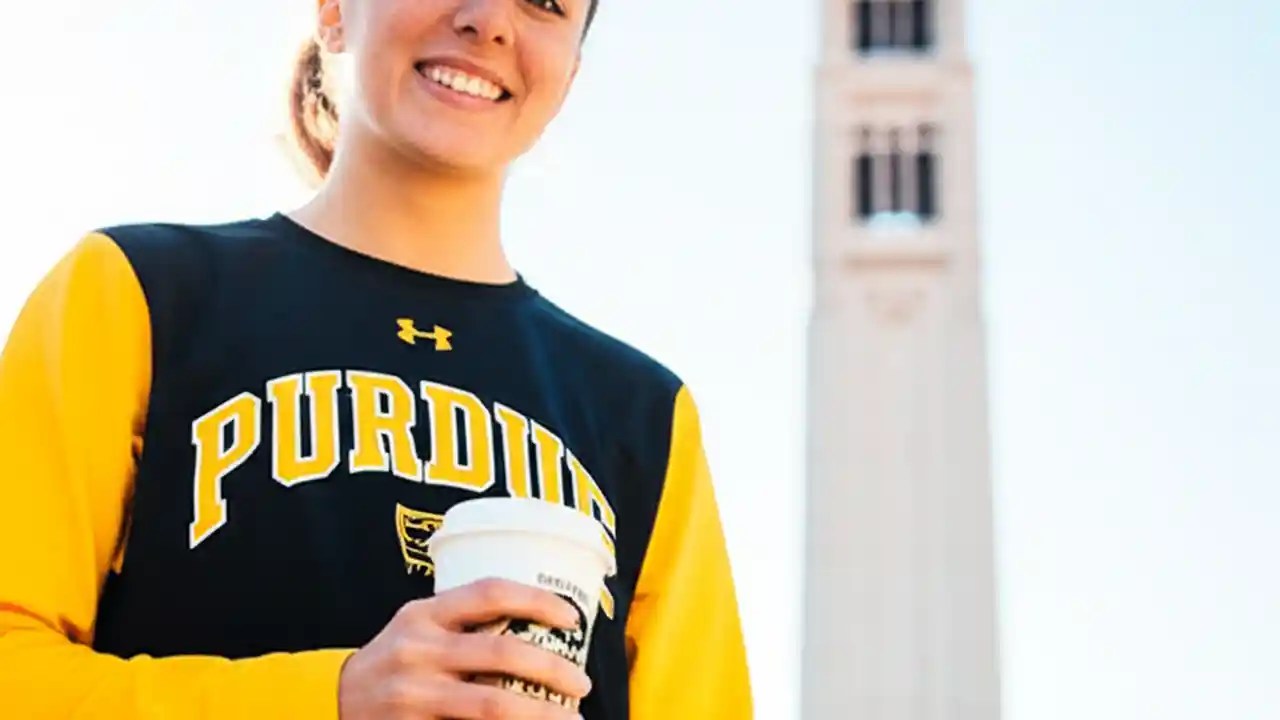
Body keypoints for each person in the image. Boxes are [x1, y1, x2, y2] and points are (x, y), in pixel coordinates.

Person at [0, 0, 752, 718]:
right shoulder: (135, 292)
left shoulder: (645, 417)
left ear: (570, 74)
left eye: (545, 3)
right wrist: (329, 699)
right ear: (333, 10)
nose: (487, 21)